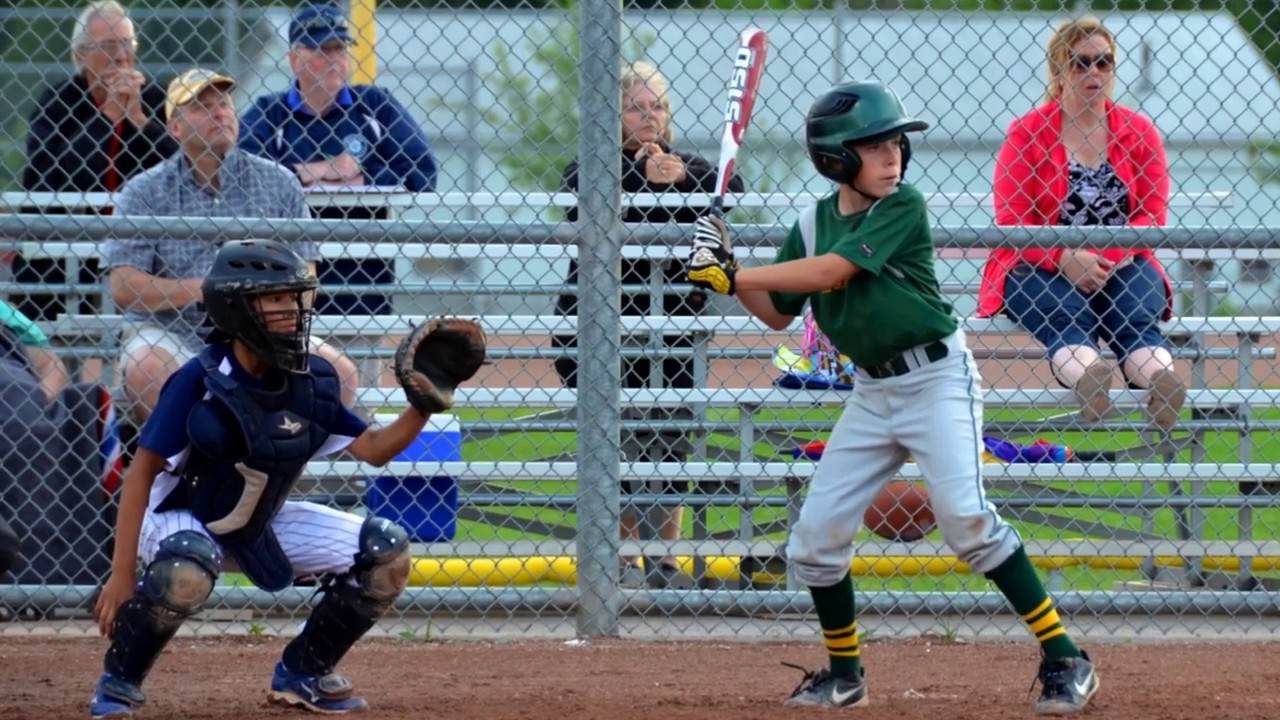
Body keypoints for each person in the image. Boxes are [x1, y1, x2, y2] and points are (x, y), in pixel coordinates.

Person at [683, 81, 1099, 715]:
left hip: (937, 380)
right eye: (873, 146)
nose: (892, 156)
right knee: (815, 540)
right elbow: (775, 313)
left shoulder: (903, 205)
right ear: (834, 158)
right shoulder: (808, 224)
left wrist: (736, 270)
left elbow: (834, 273)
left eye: (895, 143)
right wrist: (727, 269)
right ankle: (845, 674)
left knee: (967, 523)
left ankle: (1065, 656)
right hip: (873, 390)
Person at [88, 240, 430, 718]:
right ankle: (119, 681)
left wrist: (423, 407)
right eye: (275, 300)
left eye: (295, 298)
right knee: (185, 569)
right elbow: (140, 474)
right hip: (179, 517)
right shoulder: (199, 379)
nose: (291, 310)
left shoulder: (312, 377)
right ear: (236, 307)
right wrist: (121, 574)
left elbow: (373, 450)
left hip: (256, 521)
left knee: (386, 552)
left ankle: (304, 671)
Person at [554, 60, 744, 590]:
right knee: (618, 440)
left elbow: (732, 187)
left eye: (656, 106)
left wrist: (679, 176)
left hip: (673, 331)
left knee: (668, 439)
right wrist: (639, 175)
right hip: (598, 329)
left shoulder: (687, 165)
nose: (647, 116)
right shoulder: (595, 163)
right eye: (635, 106)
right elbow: (575, 188)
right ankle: (618, 560)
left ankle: (663, 559)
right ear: (614, 114)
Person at [103, 68, 359, 427]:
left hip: (264, 329)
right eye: (201, 107)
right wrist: (207, 290)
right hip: (170, 331)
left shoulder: (278, 181)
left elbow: (307, 275)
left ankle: (276, 469)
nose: (219, 113)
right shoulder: (144, 190)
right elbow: (124, 286)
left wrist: (262, 304)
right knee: (147, 368)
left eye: (223, 103)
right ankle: (186, 470)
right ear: (174, 127)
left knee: (339, 375)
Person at [979, 15, 1185, 430]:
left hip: (1123, 261)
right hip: (1039, 263)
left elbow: (1152, 213)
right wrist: (1064, 257)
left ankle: (1161, 382)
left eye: (1104, 62)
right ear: (1058, 70)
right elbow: (1012, 219)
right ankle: (1091, 380)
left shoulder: (1139, 131)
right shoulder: (1028, 132)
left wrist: (1104, 257)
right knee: (1065, 316)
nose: (1094, 72)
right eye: (1080, 62)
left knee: (1136, 319)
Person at [239, 3, 439, 316]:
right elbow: (242, 170)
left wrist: (363, 178)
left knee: (360, 363)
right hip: (285, 280)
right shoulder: (270, 111)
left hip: (362, 279)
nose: (334, 59)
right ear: (294, 59)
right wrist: (320, 170)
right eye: (322, 50)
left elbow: (421, 172)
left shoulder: (375, 105)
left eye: (340, 48)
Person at [18, 0, 177, 323]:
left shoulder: (156, 99)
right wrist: (107, 118)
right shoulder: (59, 102)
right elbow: (47, 181)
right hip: (70, 236)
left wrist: (139, 120)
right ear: (81, 56)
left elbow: (182, 167)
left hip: (143, 241)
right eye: (107, 46)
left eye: (127, 44)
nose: (120, 55)